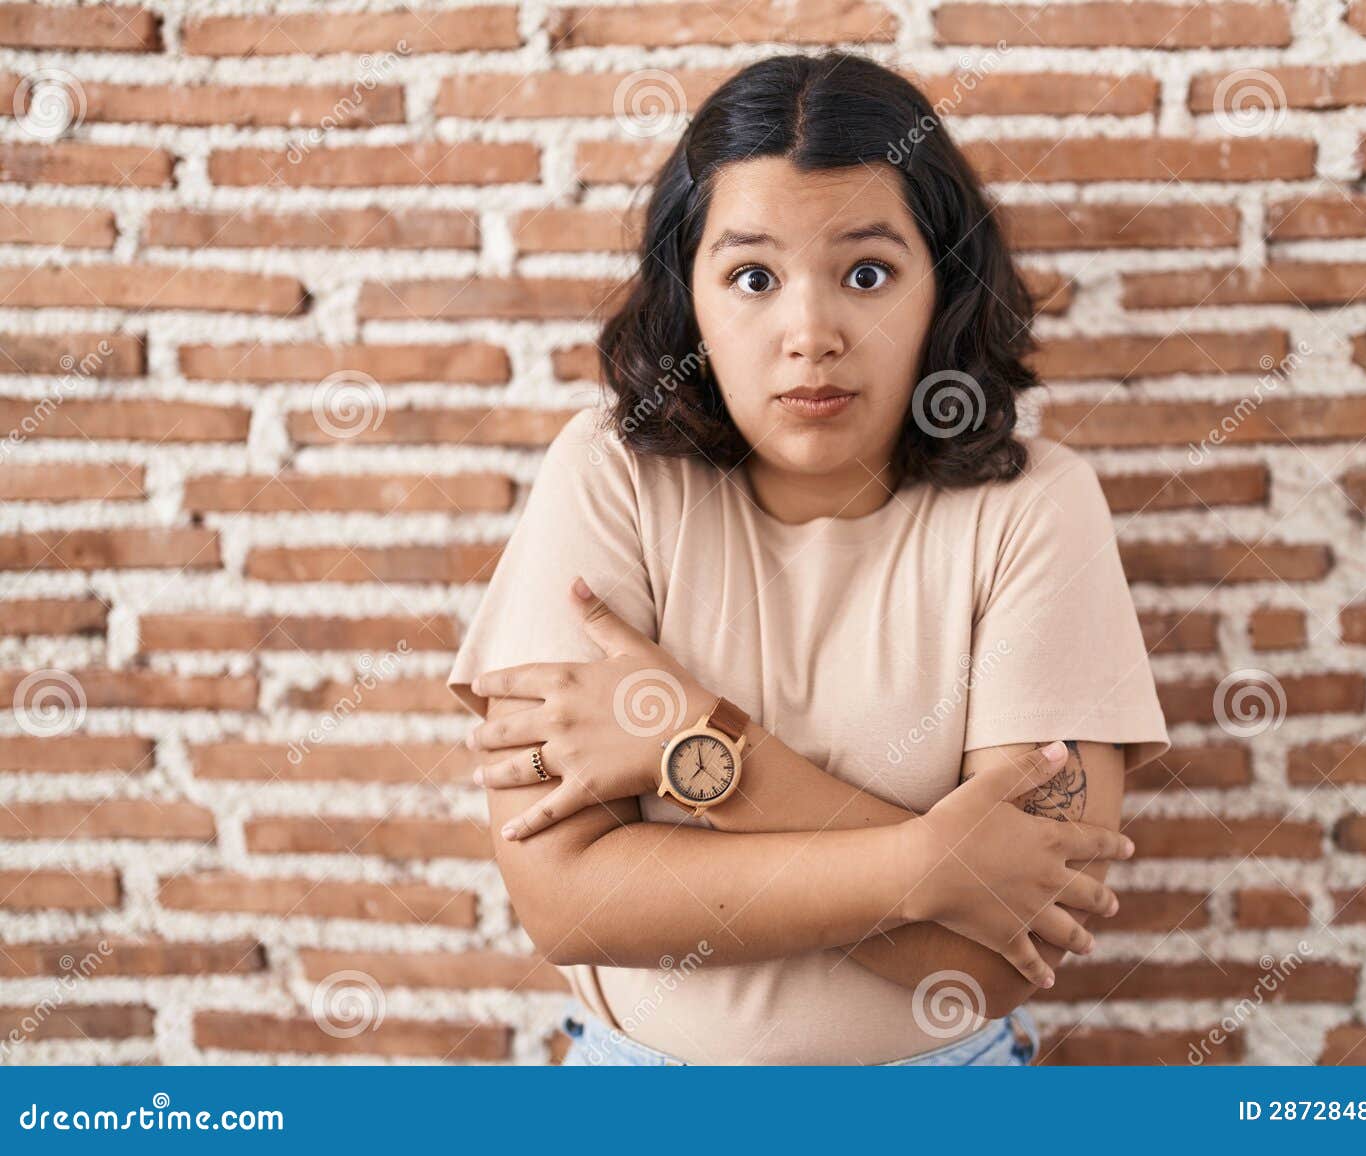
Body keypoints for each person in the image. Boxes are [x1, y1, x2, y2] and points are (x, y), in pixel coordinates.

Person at [446, 50, 1170, 1066]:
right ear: (687, 294)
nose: (811, 333)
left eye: (866, 273)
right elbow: (567, 900)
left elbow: (1008, 955)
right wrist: (930, 862)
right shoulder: (611, 473)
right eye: (751, 276)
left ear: (942, 286)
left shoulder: (1032, 506)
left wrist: (697, 748)